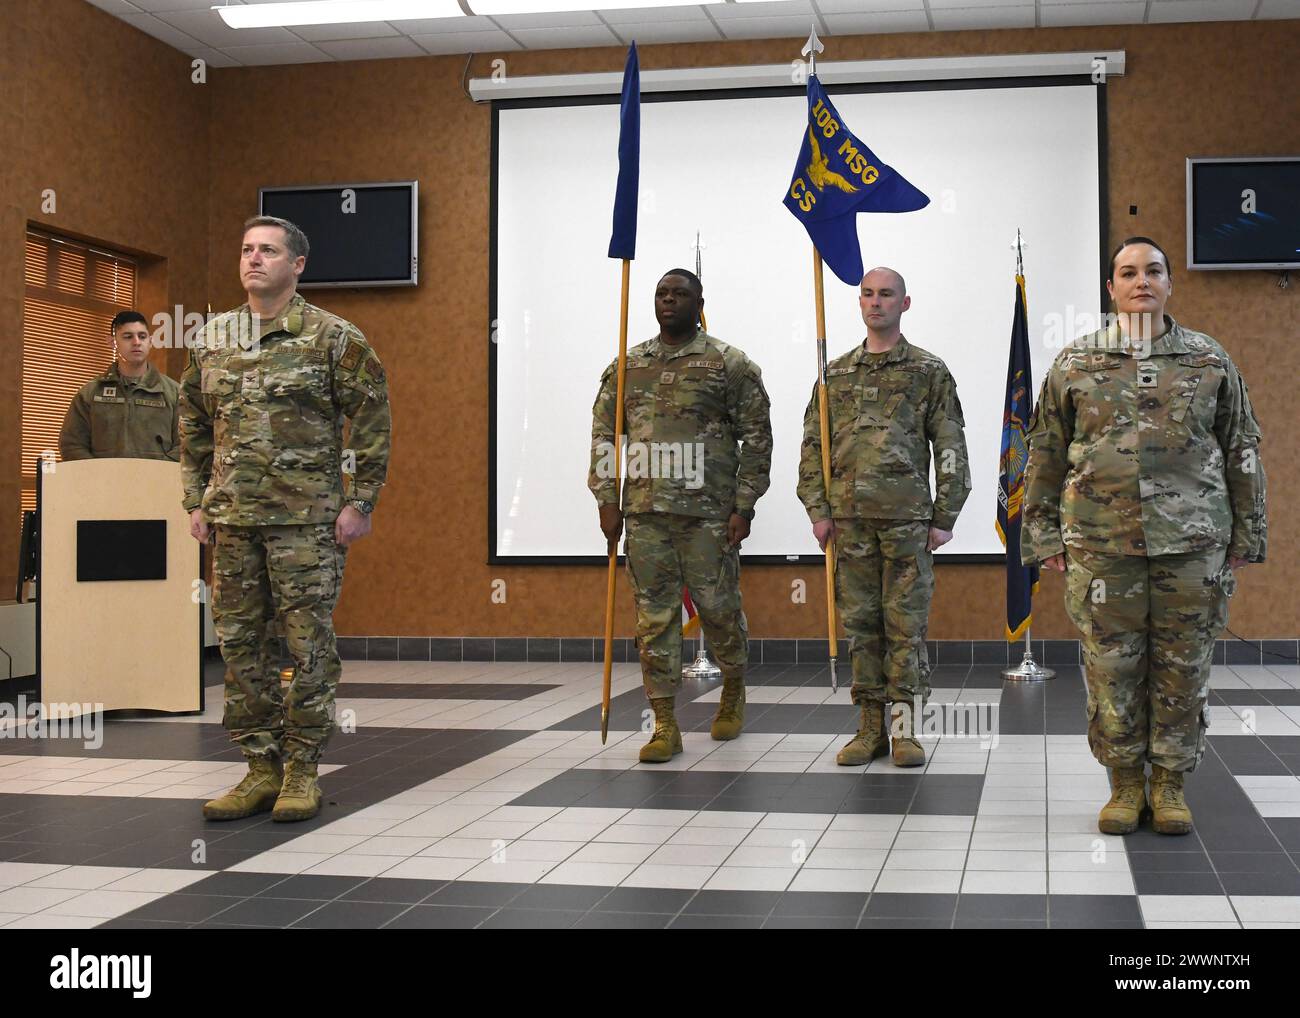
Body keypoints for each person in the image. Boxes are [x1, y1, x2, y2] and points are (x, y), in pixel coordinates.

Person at [1021, 236, 1267, 836]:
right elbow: (1045, 453)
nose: (1141, 282)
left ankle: (1170, 784)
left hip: (1192, 547)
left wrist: (1249, 531)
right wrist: (1043, 536)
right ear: (1111, 288)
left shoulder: (1209, 361)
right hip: (1102, 547)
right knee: (1112, 669)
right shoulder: (1076, 364)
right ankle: (1125, 784)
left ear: (1168, 283)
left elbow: (1242, 449)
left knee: (1184, 668)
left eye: (1153, 271)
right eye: (1128, 272)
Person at [182, 215, 391, 823]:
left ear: (297, 265)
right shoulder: (213, 336)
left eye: (268, 251)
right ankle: (258, 769)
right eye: (246, 249)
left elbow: (373, 416)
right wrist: (195, 498)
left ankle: (302, 769)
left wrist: (362, 501)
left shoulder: (333, 338)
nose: (254, 259)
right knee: (242, 648)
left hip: (307, 524)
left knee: (308, 646)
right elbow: (192, 420)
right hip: (233, 522)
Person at [589, 269, 772, 762]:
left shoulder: (729, 365)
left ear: (699, 302)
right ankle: (664, 723)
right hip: (646, 514)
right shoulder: (628, 367)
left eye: (680, 295)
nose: (669, 302)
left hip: (709, 516)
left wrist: (744, 504)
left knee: (718, 610)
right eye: (662, 294)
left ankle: (733, 686)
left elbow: (757, 437)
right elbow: (606, 434)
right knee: (653, 619)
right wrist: (607, 497)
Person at [797, 267, 971, 768]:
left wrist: (946, 512)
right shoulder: (835, 374)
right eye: (868, 294)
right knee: (861, 626)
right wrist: (818, 508)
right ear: (859, 303)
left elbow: (951, 443)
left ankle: (906, 729)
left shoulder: (927, 371)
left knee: (905, 626)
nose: (876, 302)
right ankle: (869, 727)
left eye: (887, 295)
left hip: (907, 522)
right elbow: (813, 445)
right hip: (849, 522)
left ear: (905, 303)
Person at [59, 310, 179, 461]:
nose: (136, 342)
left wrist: (156, 473)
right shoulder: (90, 393)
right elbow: (72, 444)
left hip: (158, 482)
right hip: (102, 482)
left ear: (150, 341)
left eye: (142, 336)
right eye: (128, 337)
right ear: (112, 342)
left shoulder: (174, 393)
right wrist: (98, 475)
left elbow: (187, 445)